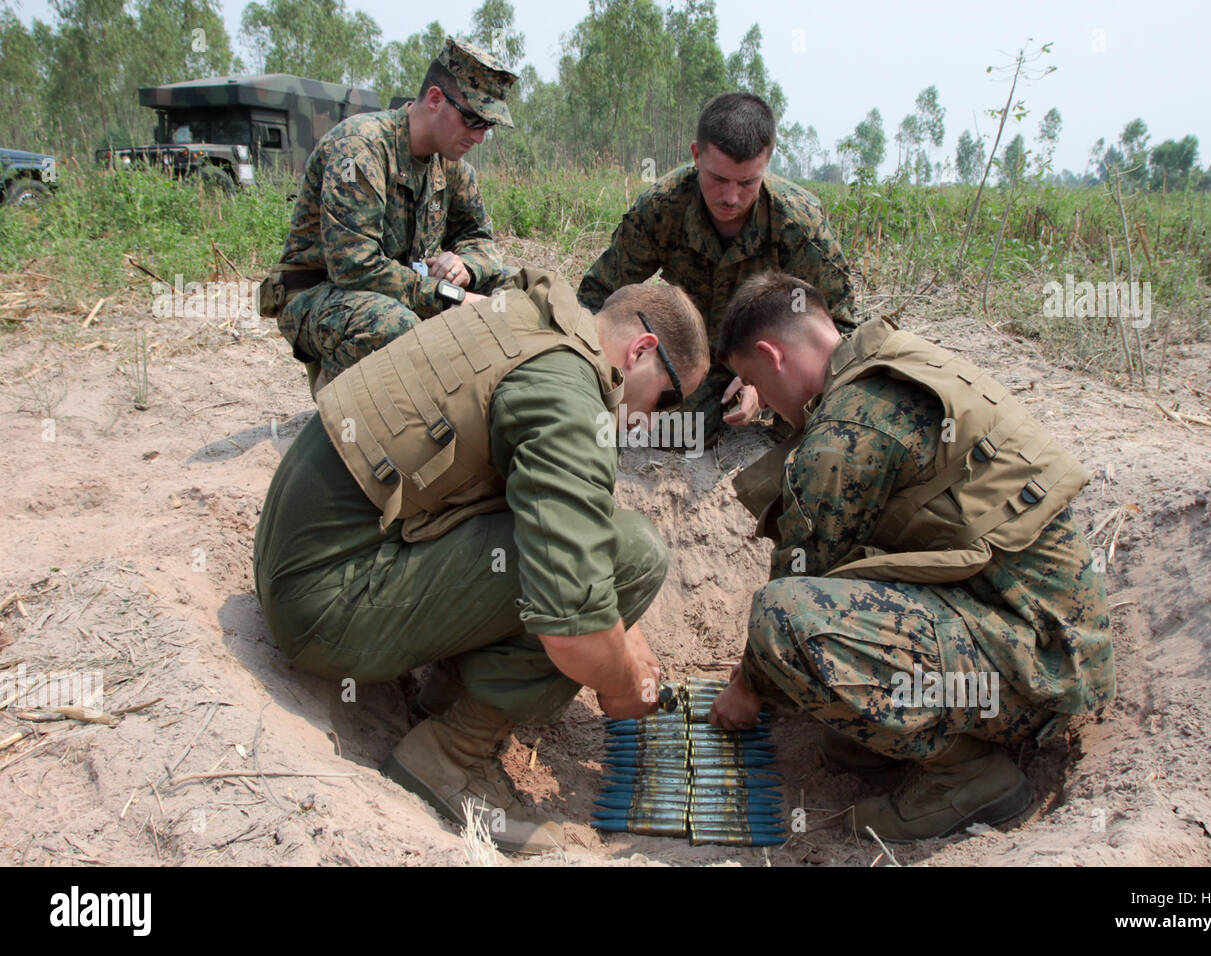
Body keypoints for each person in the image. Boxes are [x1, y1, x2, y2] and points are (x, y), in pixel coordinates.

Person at [253, 269, 709, 854]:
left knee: (596, 552)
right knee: (633, 556)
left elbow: (559, 514)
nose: (654, 420)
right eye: (668, 399)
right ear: (643, 349)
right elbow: (573, 620)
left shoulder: (535, 320)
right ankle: (450, 757)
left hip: (303, 554)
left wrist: (630, 632)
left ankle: (445, 692)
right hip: (327, 601)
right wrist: (623, 685)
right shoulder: (570, 402)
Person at [706, 272, 1115, 843]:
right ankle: (904, 733)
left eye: (754, 381)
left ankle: (968, 775)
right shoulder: (891, 360)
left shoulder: (848, 427)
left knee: (782, 619)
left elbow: (804, 574)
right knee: (833, 712)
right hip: (1038, 636)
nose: (765, 404)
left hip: (1041, 668)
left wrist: (746, 689)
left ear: (772, 355)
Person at [578, 92, 857, 445]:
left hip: (771, 358)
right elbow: (595, 296)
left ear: (767, 164)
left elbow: (841, 329)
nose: (731, 197)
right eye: (718, 178)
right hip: (694, 357)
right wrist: (597, 375)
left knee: (809, 424)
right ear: (696, 155)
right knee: (669, 430)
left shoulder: (797, 222)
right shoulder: (664, 206)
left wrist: (765, 383)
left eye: (747, 183)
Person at [259, 38, 518, 395]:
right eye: (472, 119)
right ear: (435, 99)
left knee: (518, 290)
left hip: (400, 291)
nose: (478, 136)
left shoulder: (453, 167)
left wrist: (465, 266)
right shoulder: (360, 149)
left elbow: (482, 241)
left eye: (487, 126)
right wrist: (450, 297)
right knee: (395, 326)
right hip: (321, 293)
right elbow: (354, 268)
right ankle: (338, 402)